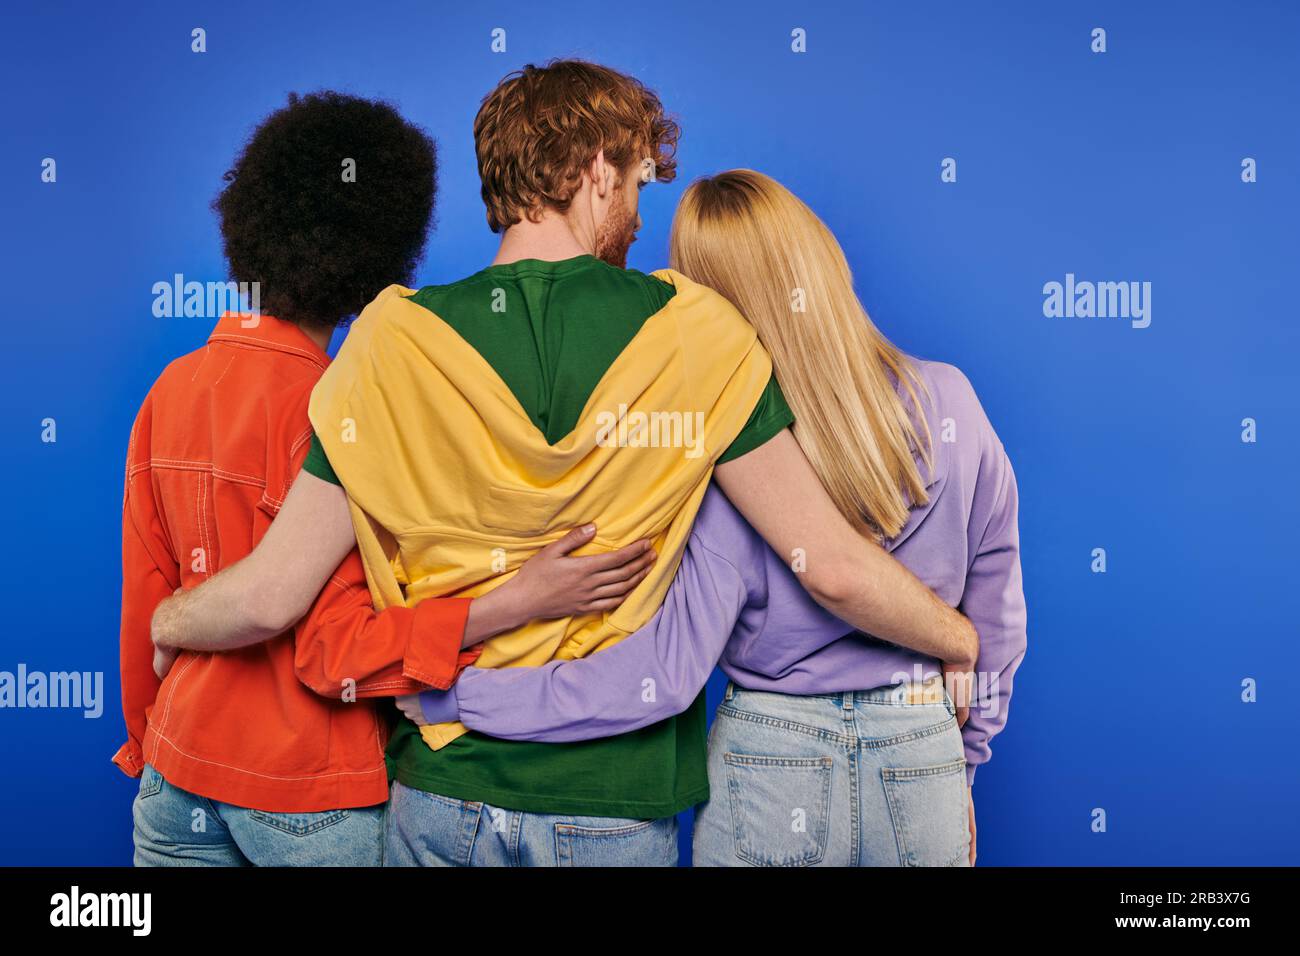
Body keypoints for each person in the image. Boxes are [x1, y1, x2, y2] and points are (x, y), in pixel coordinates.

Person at [150, 64, 977, 868]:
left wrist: (169, 621)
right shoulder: (703, 336)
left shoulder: (388, 344)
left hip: (443, 785)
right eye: (638, 185)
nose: (638, 217)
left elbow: (275, 593)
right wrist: (955, 636)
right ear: (595, 172)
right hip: (611, 798)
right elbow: (827, 565)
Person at [402, 171, 1026, 867]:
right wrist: (960, 763)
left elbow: (664, 673)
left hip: (772, 757)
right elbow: (997, 616)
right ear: (820, 256)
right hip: (922, 748)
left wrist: (463, 697)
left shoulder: (728, 459)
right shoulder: (952, 402)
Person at [118, 91, 651, 867]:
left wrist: (147, 740)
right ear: (377, 248)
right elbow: (338, 639)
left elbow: (148, 595)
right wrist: (509, 604)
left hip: (175, 772)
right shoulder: (347, 406)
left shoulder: (171, 388)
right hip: (310, 788)